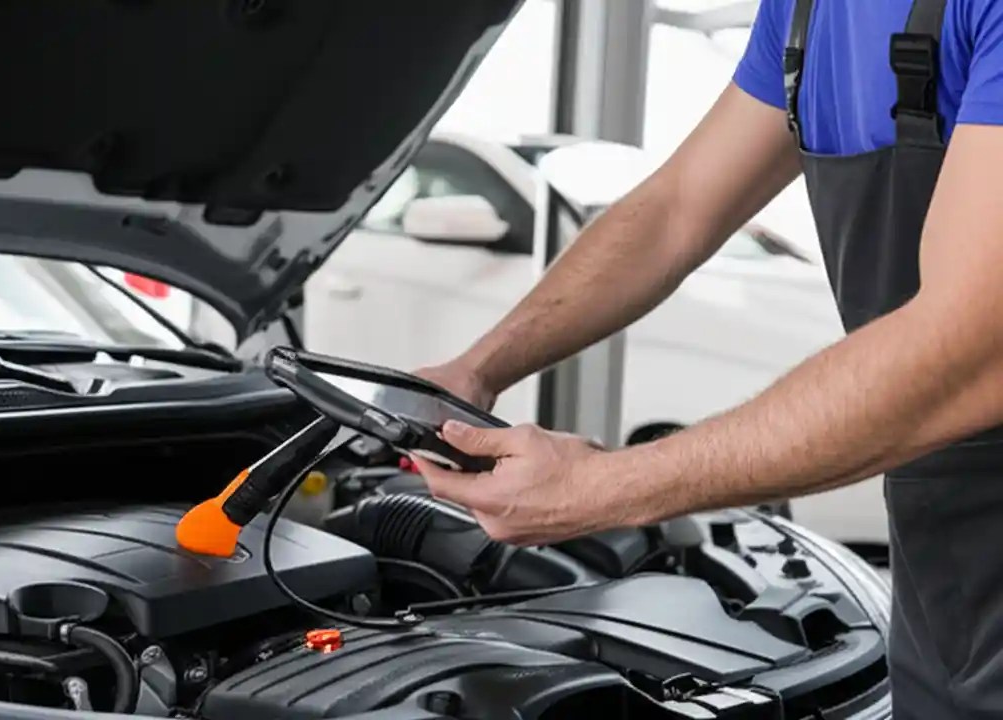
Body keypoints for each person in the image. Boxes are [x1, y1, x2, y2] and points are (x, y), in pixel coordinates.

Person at [412, 0, 1003, 716]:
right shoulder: (807, 12)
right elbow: (676, 210)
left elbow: (970, 350)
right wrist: (477, 369)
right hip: (941, 572)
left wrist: (599, 487)